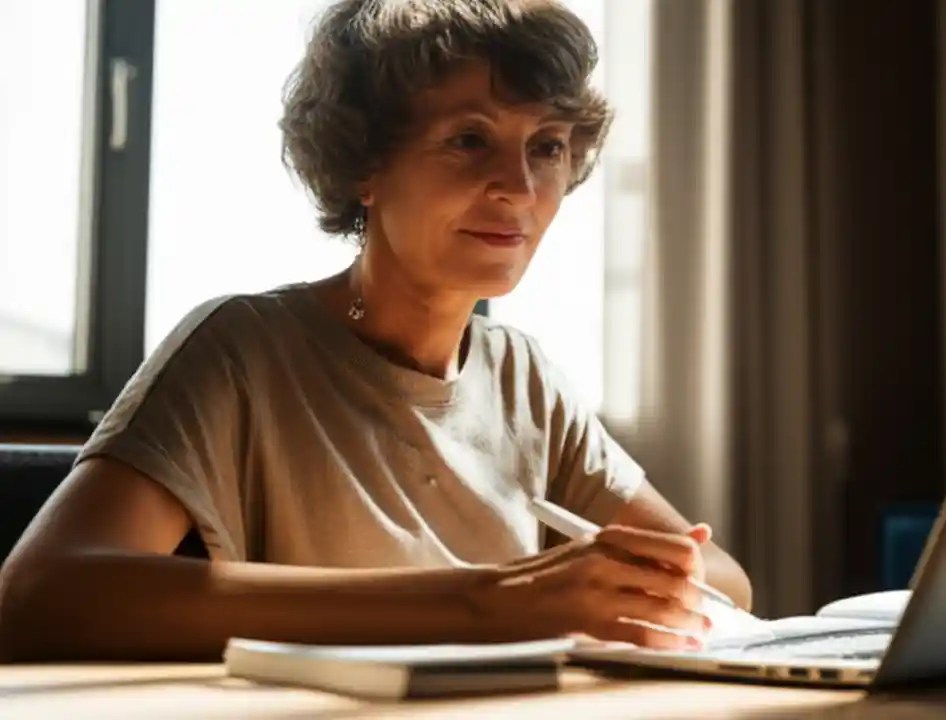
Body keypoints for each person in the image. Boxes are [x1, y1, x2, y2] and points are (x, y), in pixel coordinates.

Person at [0, 0, 751, 661]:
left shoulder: (523, 377)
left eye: (547, 146)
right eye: (468, 139)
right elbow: (42, 591)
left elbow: (724, 582)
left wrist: (608, 576)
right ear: (364, 163)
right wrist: (486, 603)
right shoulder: (242, 350)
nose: (519, 188)